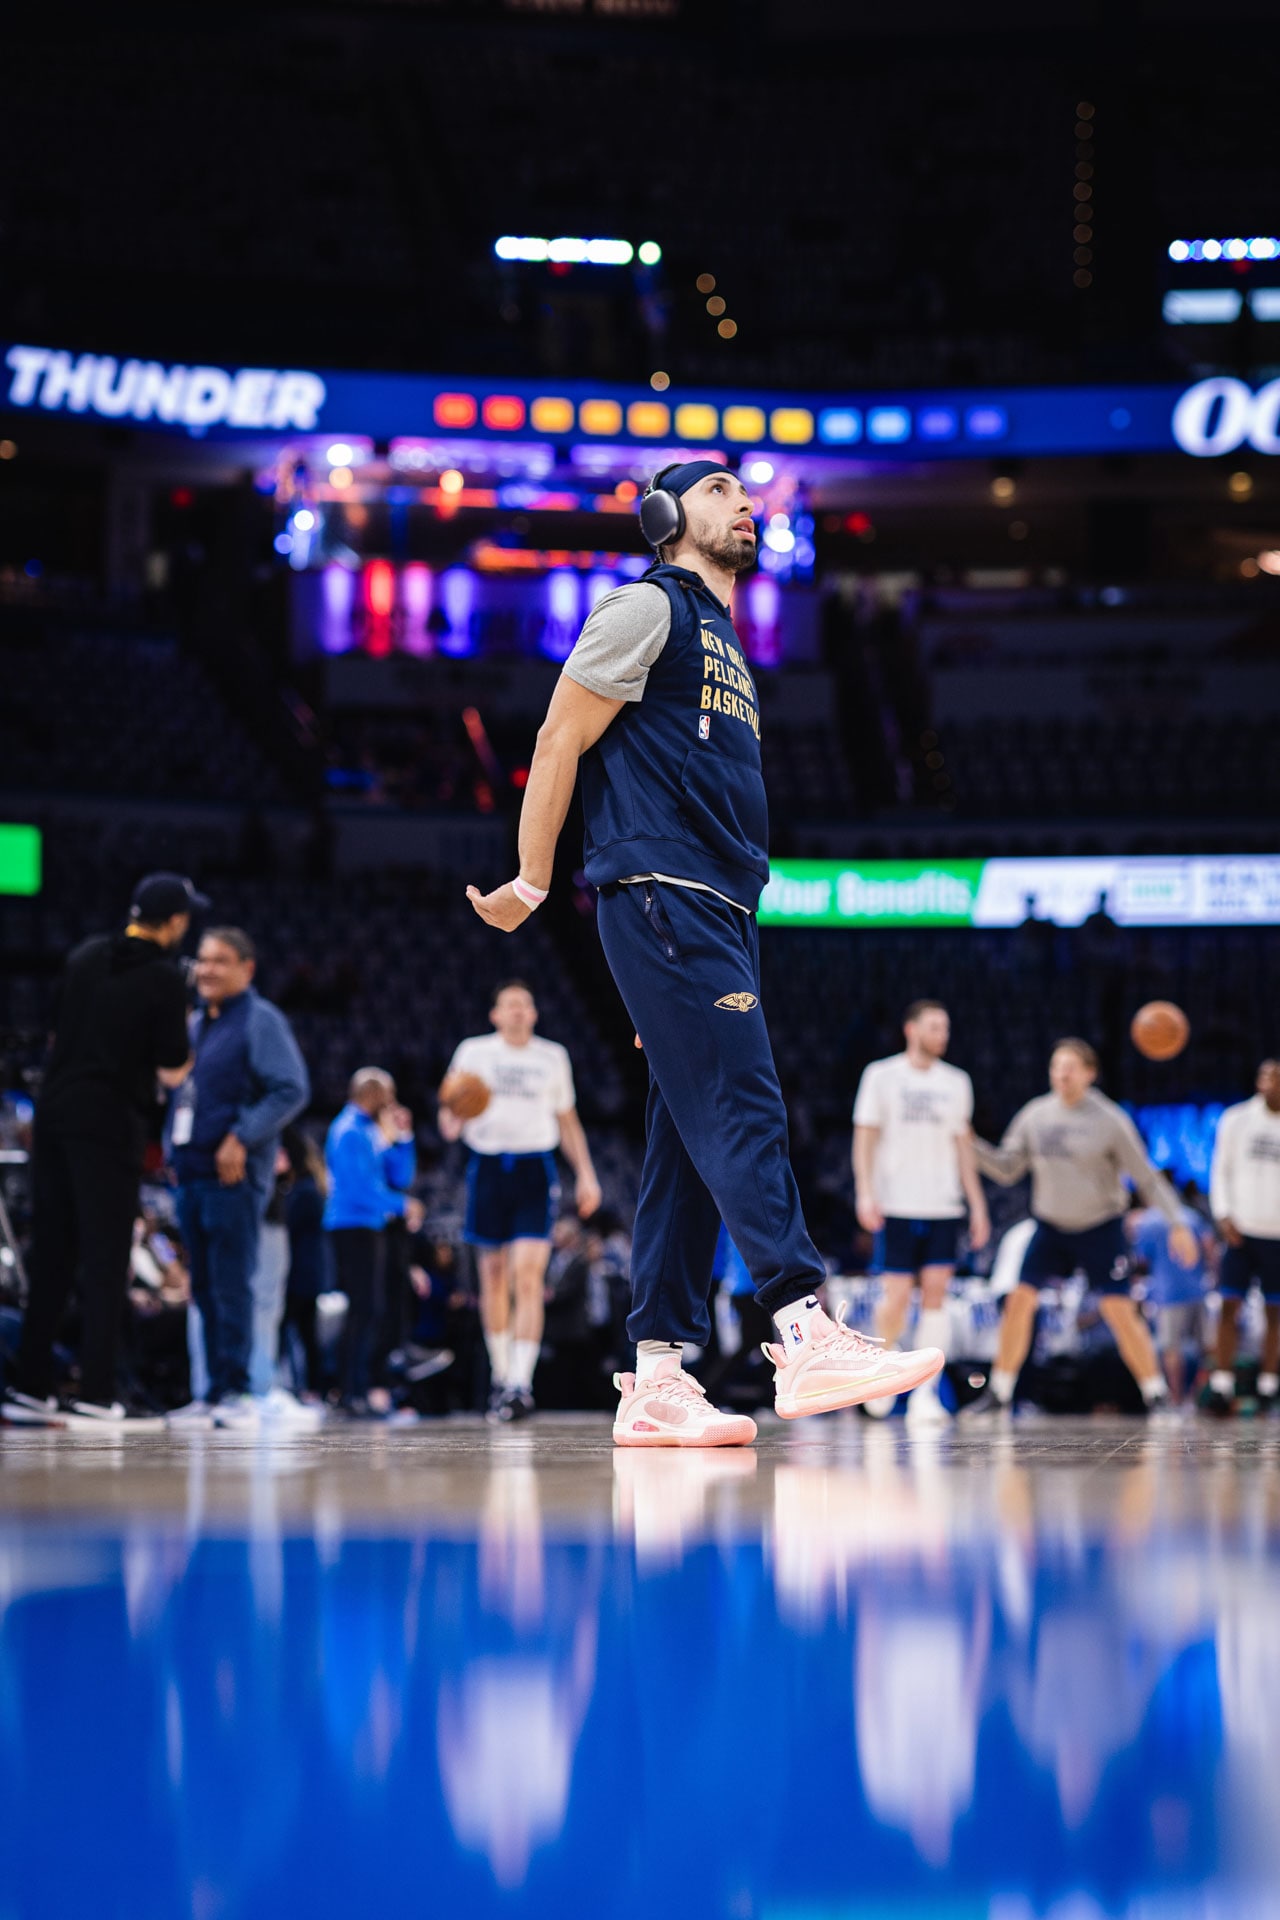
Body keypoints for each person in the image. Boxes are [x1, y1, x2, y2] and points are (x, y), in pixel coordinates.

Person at [465, 460, 943, 1443]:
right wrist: (530, 877)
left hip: (717, 909)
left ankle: (655, 1380)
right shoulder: (649, 608)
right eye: (720, 489)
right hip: (662, 894)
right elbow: (558, 737)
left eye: (745, 495)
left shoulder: (721, 637)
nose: (745, 505)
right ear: (663, 514)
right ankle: (801, 1327)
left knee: (686, 1136)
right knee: (742, 1101)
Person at [4, 872, 201, 1428]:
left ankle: (30, 1386)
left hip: (56, 1112)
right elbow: (172, 1068)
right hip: (111, 1121)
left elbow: (54, 1033)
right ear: (176, 922)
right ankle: (97, 1392)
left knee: (53, 1252)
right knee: (107, 1256)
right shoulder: (164, 977)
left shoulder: (86, 954)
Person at [962, 1038, 1197, 1418]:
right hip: (1051, 1225)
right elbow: (1007, 1169)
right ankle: (1000, 1392)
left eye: (1070, 1067)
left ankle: (1156, 1395)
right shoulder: (1036, 1115)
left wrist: (1178, 1223)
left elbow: (1148, 1178)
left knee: (1119, 1309)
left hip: (1100, 1226)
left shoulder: (1110, 1120)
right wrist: (971, 1145)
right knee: (1019, 1301)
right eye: (1056, 1066)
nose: (1062, 1074)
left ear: (1089, 1074)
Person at [165, 927, 310, 1431]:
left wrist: (241, 1137)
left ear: (247, 969)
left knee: (232, 1286)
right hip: (191, 1173)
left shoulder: (260, 1018)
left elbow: (290, 1088)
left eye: (220, 961)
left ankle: (240, 1392)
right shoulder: (199, 1023)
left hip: (233, 1176)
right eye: (202, 960)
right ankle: (211, 1393)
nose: (206, 969)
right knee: (203, 1287)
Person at [439, 980, 601, 1421]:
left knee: (527, 1278)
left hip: (535, 1169)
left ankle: (521, 1384)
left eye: (524, 1004)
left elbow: (567, 1120)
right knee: (492, 1279)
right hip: (487, 1168)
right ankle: (501, 1375)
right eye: (508, 1004)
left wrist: (586, 1174)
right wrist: (451, 1116)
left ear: (534, 1014)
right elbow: (449, 1110)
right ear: (494, 1014)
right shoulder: (473, 1052)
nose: (517, 1011)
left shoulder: (552, 1056)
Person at [853, 999, 989, 1425]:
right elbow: (865, 1139)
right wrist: (865, 1191)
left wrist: (977, 1204)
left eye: (945, 1028)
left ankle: (925, 1395)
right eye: (934, 1027)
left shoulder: (957, 1082)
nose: (942, 1035)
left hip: (943, 1204)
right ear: (911, 1029)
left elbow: (963, 1147)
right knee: (894, 1301)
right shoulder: (881, 1075)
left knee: (936, 1301)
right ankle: (882, 1378)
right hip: (896, 1203)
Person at [323, 1068, 425, 1415]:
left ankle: (360, 1388)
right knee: (363, 1309)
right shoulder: (348, 1130)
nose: (392, 1101)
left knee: (372, 1309)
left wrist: (404, 1136)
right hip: (351, 1226)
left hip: (370, 1226)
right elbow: (358, 1188)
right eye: (388, 1094)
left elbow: (401, 1175)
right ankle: (350, 1391)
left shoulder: (369, 1130)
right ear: (370, 1094)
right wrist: (401, 1205)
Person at [1207, 1059, 1280, 1416]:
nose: (1269, 1082)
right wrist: (1223, 1214)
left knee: (1275, 1313)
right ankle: (1222, 1384)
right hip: (1241, 1230)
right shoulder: (1236, 1119)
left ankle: (1268, 1385)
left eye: (1276, 1077)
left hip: (1277, 1233)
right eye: (1264, 1075)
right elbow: (1220, 1169)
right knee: (1228, 1307)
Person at [1126, 1184, 1213, 1409]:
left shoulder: (1149, 1221)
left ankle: (1176, 1400)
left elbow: (1141, 1259)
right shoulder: (1192, 1217)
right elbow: (1209, 1248)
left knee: (1171, 1349)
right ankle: (1197, 1398)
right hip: (1198, 1289)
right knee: (1206, 1347)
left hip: (1168, 1294)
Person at [281, 1128, 330, 1397]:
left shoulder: (303, 1192)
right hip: (310, 1272)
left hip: (299, 1273)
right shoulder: (315, 1187)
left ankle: (307, 1389)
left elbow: (289, 1228)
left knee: (296, 1331)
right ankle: (312, 1390)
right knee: (307, 1334)